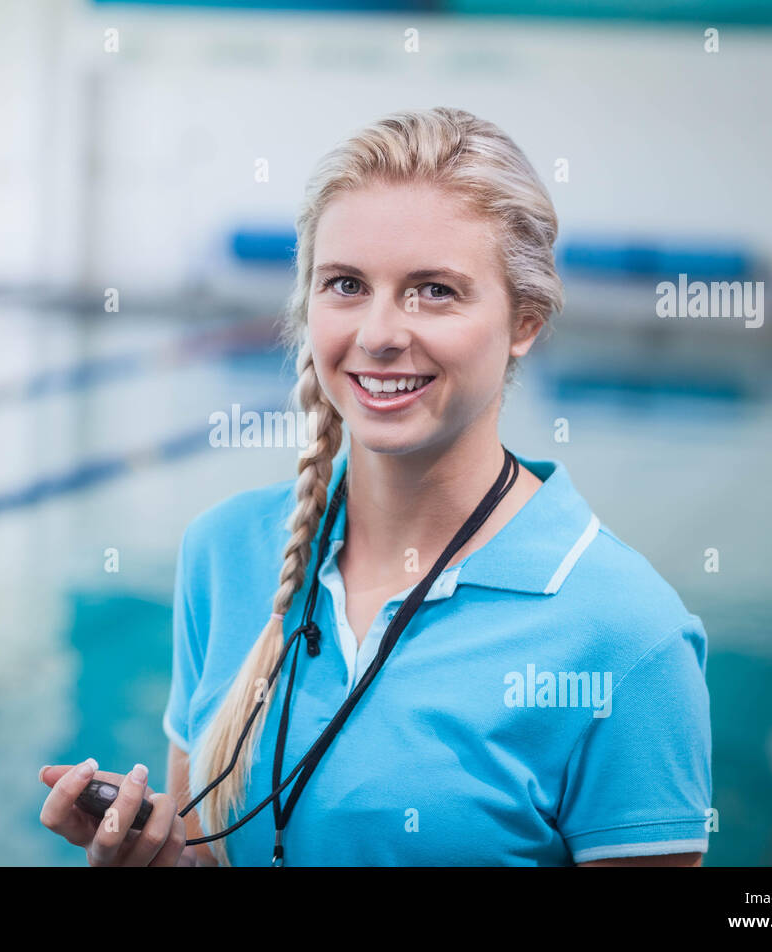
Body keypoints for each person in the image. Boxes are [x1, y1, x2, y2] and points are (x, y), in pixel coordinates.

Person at [39, 107, 712, 867]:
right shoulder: (224, 554)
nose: (382, 332)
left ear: (524, 322)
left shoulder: (627, 635)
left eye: (435, 291)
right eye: (347, 284)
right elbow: (210, 853)